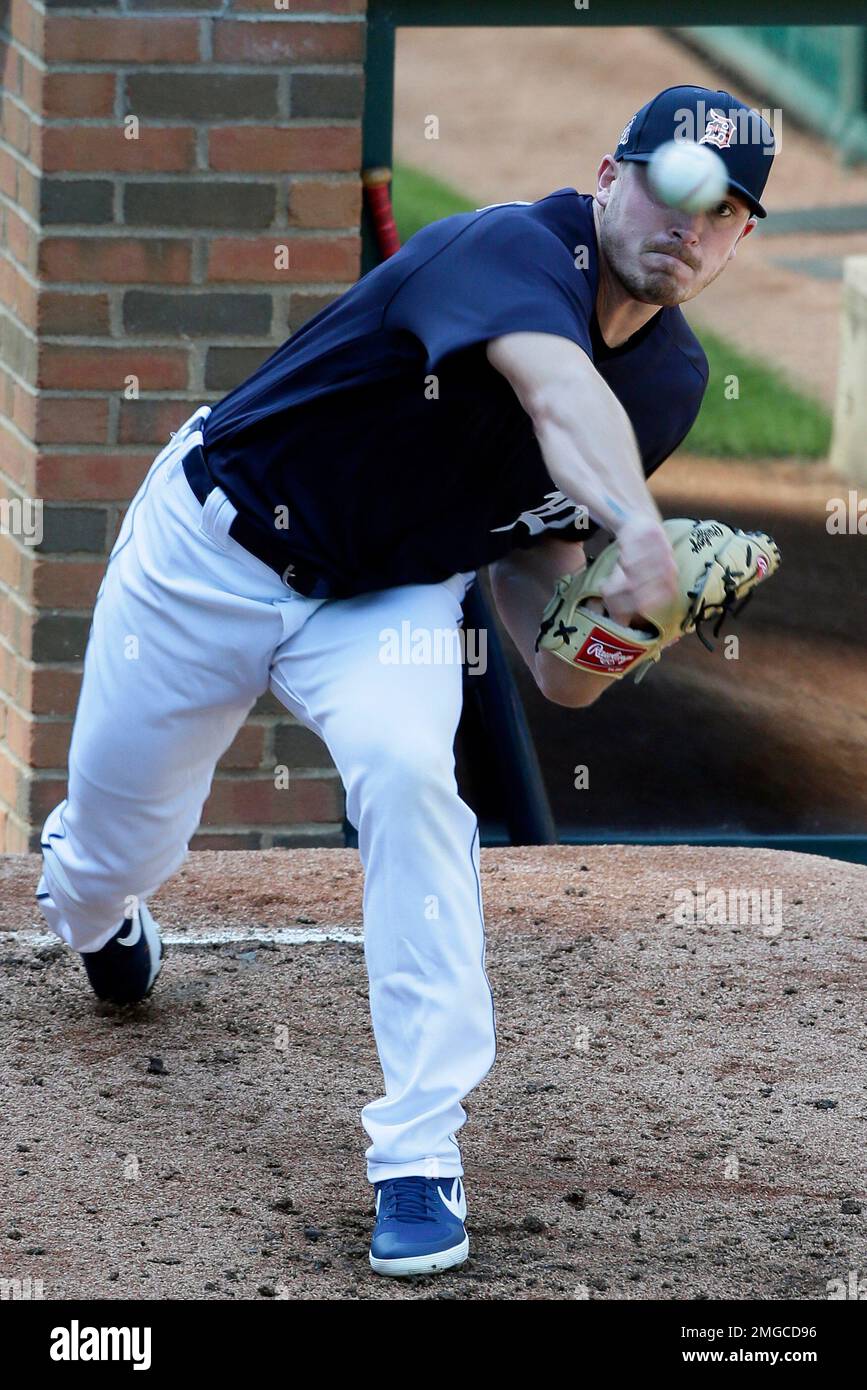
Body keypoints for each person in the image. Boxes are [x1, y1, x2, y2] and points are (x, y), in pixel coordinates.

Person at [36, 85, 775, 1278]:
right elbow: (552, 390)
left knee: (414, 784)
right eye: (676, 183)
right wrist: (643, 524)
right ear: (608, 174)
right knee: (106, 856)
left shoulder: (671, 385)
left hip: (389, 599)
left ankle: (420, 1153)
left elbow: (543, 575)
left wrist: (616, 633)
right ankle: (100, 903)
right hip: (212, 553)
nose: (692, 223)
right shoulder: (508, 249)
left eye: (728, 209)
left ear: (745, 239)